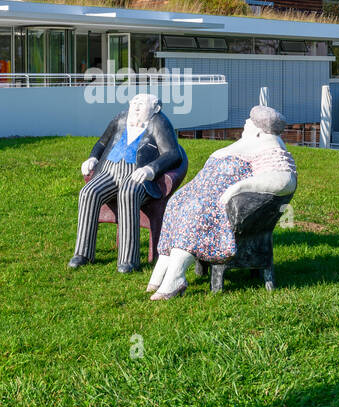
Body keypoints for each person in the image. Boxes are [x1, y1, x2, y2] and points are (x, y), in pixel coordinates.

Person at [147, 105, 297, 300]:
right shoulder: (250, 140)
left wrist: (238, 188)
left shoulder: (270, 145)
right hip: (199, 197)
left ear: (261, 131)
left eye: (251, 121)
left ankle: (175, 279)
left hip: (220, 206)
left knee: (194, 211)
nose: (246, 122)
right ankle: (161, 273)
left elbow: (284, 180)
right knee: (177, 204)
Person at [71, 93, 183, 274]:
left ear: (155, 108)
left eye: (142, 104)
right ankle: (83, 253)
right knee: (88, 192)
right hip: (109, 170)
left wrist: (150, 169)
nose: (136, 107)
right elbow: (101, 142)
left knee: (128, 194)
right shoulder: (121, 118)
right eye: (134, 103)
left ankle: (128, 259)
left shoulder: (159, 123)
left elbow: (173, 154)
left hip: (136, 173)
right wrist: (93, 158)